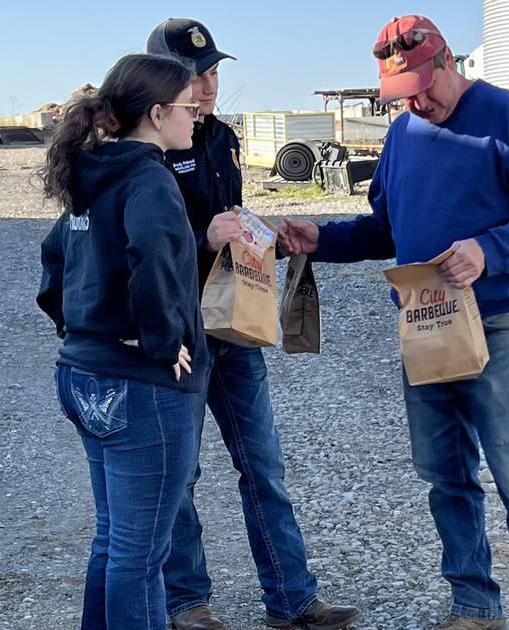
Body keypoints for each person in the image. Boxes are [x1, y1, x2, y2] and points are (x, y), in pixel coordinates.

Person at [279, 15, 509, 630]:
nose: (415, 102)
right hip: (424, 324)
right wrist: (320, 239)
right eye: (401, 94)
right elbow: (385, 230)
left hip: (500, 323)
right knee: (444, 474)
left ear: (449, 63)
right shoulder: (404, 137)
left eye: (422, 86)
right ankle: (473, 605)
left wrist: (489, 251)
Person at [146, 18, 361, 630]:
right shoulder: (135, 146)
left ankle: (292, 601)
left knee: (262, 462)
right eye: (196, 74)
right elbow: (128, 246)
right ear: (159, 80)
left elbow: (228, 217)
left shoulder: (216, 137)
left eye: (214, 72)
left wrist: (265, 236)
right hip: (177, 331)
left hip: (231, 321)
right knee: (179, 473)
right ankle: (187, 604)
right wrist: (200, 238)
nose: (209, 86)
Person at [36, 53, 207, 629]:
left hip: (81, 374)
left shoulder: (91, 175)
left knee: (115, 540)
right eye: (190, 106)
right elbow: (153, 254)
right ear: (158, 114)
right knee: (141, 557)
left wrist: (80, 327)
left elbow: (56, 258)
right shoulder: (148, 177)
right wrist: (161, 339)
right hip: (139, 389)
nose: (198, 117)